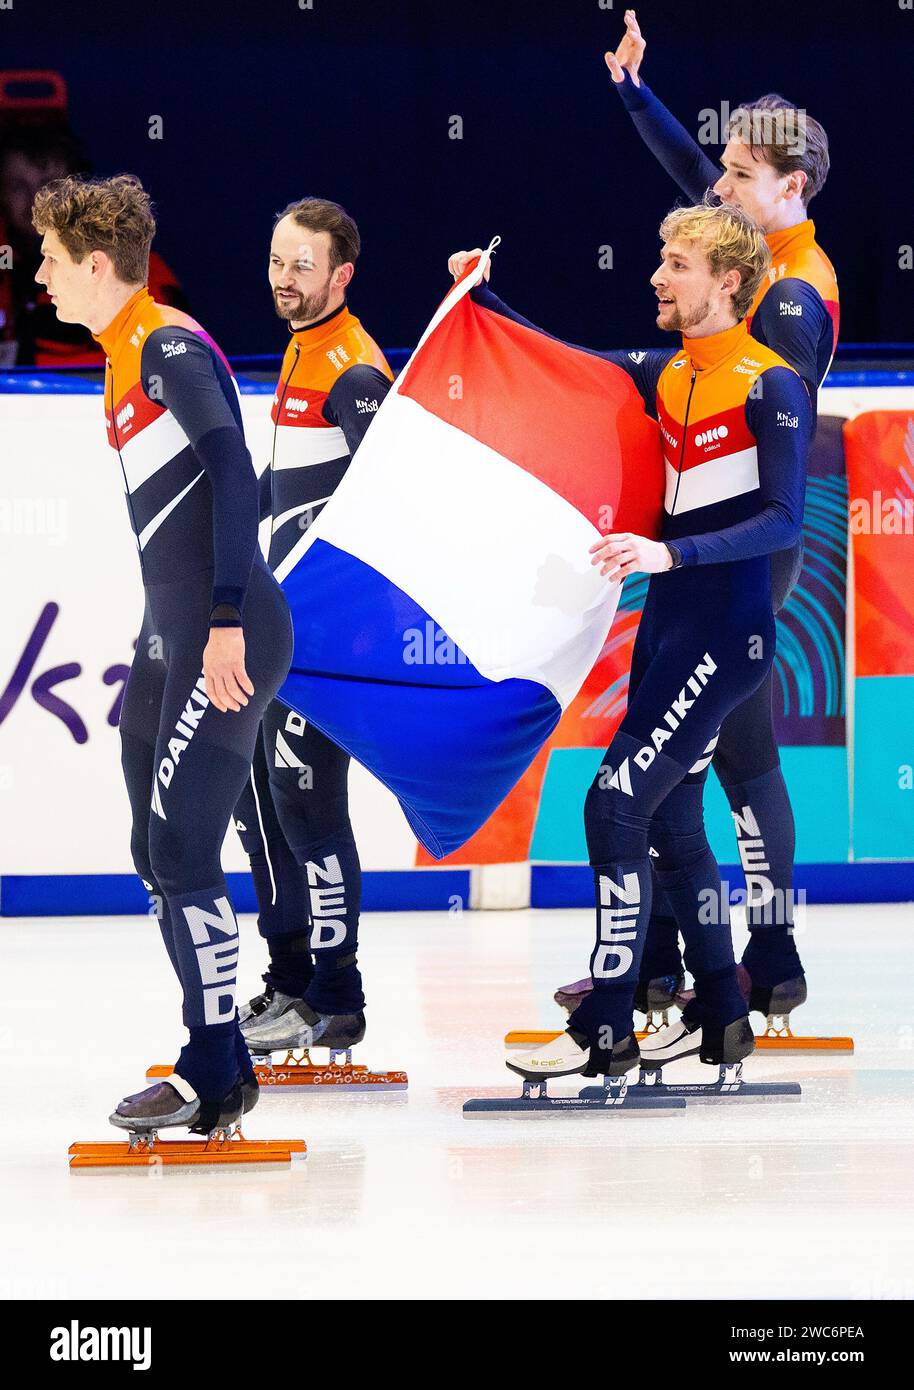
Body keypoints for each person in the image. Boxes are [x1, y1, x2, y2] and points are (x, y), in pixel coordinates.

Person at [449, 197, 811, 1079]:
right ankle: (723, 1011)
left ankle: (609, 1022)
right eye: (660, 258)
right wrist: (480, 302)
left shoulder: (770, 383)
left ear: (727, 282)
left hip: (727, 634)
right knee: (670, 816)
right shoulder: (672, 371)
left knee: (611, 805)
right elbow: (568, 364)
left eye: (676, 264)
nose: (655, 275)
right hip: (671, 627)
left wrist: (668, 549)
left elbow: (783, 517)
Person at [556, 11, 840, 1029]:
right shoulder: (754, 248)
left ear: (789, 190)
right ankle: (707, 961)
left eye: (736, 177)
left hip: (743, 555)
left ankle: (750, 954)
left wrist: (684, 539)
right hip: (705, 556)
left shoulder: (793, 297)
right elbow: (694, 182)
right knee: (705, 754)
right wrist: (634, 93)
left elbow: (774, 446)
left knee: (729, 749)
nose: (715, 186)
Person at [33, 174, 292, 1134]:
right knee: (154, 846)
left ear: (98, 264)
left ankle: (215, 1067)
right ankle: (214, 1053)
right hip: (170, 636)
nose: (41, 280)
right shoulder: (117, 354)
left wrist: (225, 617)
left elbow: (234, 467)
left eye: (53, 263)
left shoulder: (165, 342)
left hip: (226, 632)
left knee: (184, 843)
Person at [233, 198, 393, 1059]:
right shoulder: (304, 349)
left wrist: (328, 618)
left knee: (309, 809)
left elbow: (385, 504)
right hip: (284, 622)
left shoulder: (354, 372)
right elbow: (288, 478)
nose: (284, 281)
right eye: (275, 261)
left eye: (302, 266)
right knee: (268, 808)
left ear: (342, 275)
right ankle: (294, 981)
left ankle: (339, 996)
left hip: (322, 634)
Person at [2, 121, 186, 365]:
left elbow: (170, 357)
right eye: (18, 187)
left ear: (75, 189)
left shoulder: (130, 263)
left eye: (47, 186)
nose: (34, 199)